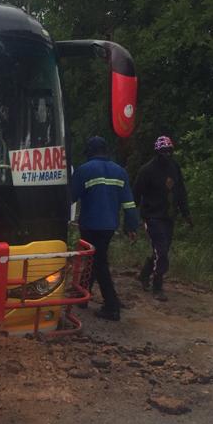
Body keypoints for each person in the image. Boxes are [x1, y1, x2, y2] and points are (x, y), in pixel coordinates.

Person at [73, 136, 140, 321]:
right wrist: (131, 226)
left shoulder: (84, 170)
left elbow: (69, 198)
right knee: (95, 259)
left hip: (89, 225)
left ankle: (112, 305)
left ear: (90, 152)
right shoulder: (120, 172)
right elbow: (129, 203)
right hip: (109, 226)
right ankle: (81, 295)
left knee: (98, 262)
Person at [133, 135, 191, 301]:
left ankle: (145, 274)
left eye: (169, 151)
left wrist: (186, 213)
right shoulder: (147, 170)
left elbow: (180, 191)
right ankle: (157, 285)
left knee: (160, 251)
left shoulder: (174, 167)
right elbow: (136, 194)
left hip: (168, 216)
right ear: (157, 152)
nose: (167, 155)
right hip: (152, 216)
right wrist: (131, 219)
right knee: (162, 251)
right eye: (164, 152)